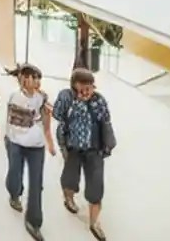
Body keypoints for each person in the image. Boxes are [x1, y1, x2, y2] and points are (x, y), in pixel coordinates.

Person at [53, 68, 114, 240]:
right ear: (74, 86)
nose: (87, 91)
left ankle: (94, 222)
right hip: (73, 148)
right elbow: (58, 115)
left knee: (96, 186)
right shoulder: (67, 98)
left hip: (95, 150)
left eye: (90, 87)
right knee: (69, 179)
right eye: (82, 87)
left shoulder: (99, 101)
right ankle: (69, 199)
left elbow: (106, 120)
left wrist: (107, 145)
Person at [5, 64, 55, 240]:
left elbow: (47, 122)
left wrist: (49, 141)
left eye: (38, 78)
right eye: (34, 78)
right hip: (16, 142)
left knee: (36, 183)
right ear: (24, 79)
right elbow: (18, 122)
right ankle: (14, 192)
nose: (37, 81)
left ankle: (34, 221)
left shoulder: (42, 98)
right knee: (14, 174)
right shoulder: (14, 98)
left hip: (36, 146)